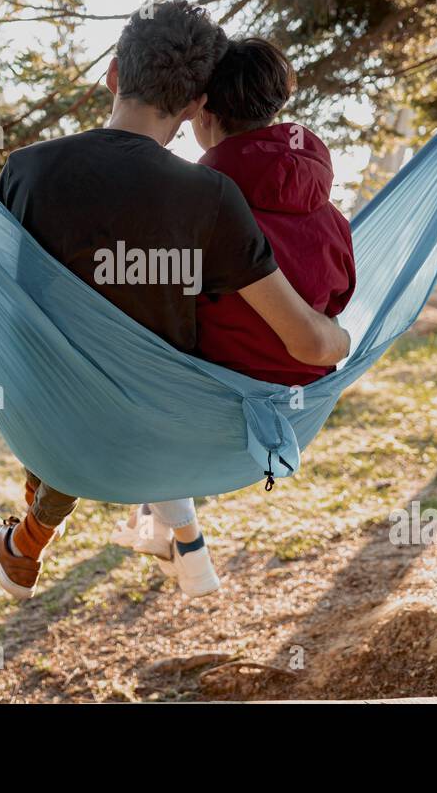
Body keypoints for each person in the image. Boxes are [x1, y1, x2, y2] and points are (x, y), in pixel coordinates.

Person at [0, 1, 350, 601]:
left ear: (114, 75)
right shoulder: (213, 198)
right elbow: (302, 336)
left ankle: (30, 537)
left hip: (53, 420)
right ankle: (147, 543)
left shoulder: (26, 171)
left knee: (51, 360)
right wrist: (343, 339)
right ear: (199, 102)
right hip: (161, 427)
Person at [110, 37, 356, 597]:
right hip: (299, 398)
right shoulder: (327, 210)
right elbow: (338, 298)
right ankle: (171, 536)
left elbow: (162, 310)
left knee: (136, 364)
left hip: (214, 400)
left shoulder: (190, 204)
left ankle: (173, 536)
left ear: (205, 112)